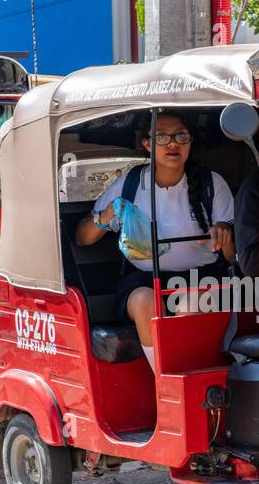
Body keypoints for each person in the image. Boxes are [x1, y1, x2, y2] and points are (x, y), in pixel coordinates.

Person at [75, 112, 235, 372]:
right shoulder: (129, 183)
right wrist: (105, 217)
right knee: (144, 302)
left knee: (190, 304)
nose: (172, 144)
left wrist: (224, 233)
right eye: (162, 137)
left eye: (181, 136)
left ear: (190, 142)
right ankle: (164, 380)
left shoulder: (211, 184)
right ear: (147, 144)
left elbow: (232, 256)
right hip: (141, 280)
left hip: (203, 280)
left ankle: (188, 378)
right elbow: (82, 238)